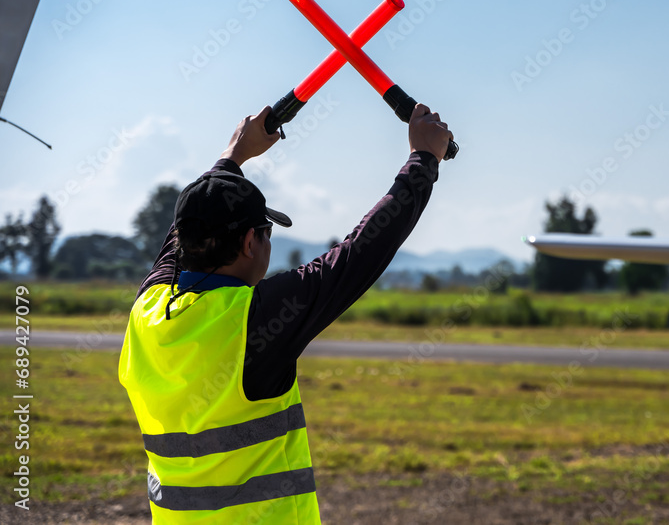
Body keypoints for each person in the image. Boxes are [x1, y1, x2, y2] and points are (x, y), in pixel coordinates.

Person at [118, 104, 452, 524]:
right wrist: (422, 161)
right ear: (249, 244)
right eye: (266, 232)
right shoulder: (251, 320)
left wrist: (233, 157)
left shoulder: (146, 310)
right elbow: (359, 254)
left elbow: (185, 233)